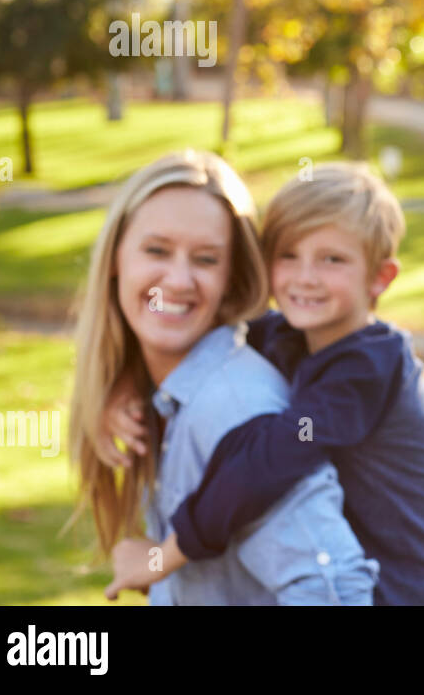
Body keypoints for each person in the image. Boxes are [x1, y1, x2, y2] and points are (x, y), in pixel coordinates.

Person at [102, 162, 424, 605]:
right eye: (288, 255)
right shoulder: (286, 337)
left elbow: (262, 466)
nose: (305, 277)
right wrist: (124, 391)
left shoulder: (367, 368)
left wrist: (164, 556)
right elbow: (186, 348)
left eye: (332, 259)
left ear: (380, 278)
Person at [67, 149, 377, 604]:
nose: (177, 280)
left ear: (232, 277)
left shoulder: (234, 406)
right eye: (156, 250)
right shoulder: (171, 398)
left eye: (206, 260)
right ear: (116, 258)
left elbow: (336, 593)